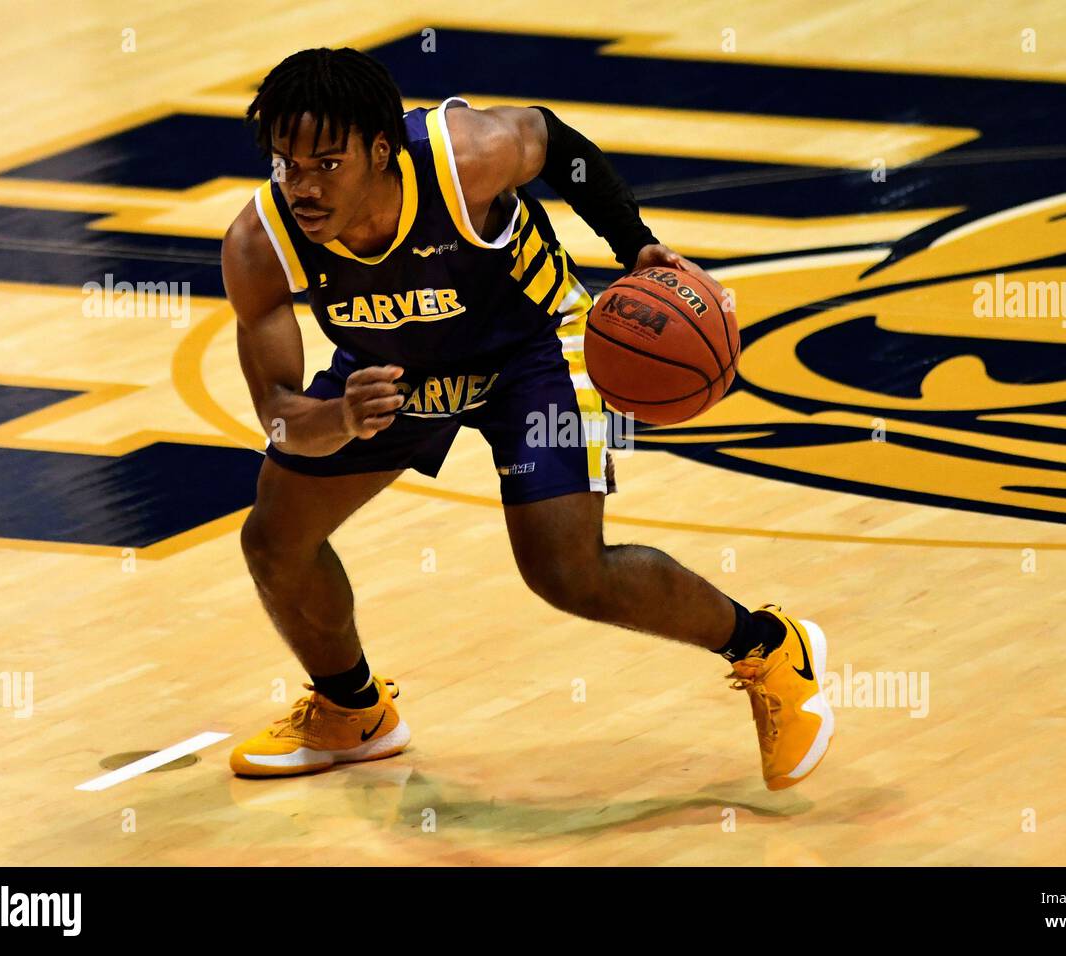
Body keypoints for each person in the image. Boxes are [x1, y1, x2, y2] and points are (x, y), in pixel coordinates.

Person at [220, 48, 833, 791]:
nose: (304, 188)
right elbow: (281, 417)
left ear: (381, 151)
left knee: (566, 571)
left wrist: (633, 244)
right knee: (274, 540)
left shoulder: (464, 157)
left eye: (326, 164)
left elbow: (558, 144)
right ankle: (354, 711)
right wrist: (341, 418)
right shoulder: (259, 243)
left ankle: (770, 646)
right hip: (396, 376)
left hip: (533, 353)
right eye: (286, 164)